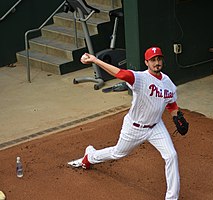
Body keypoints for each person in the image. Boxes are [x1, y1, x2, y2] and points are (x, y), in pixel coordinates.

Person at [68, 47, 187, 200]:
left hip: (156, 126)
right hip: (134, 127)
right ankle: (89, 157)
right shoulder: (140, 78)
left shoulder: (168, 82)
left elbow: (171, 104)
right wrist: (95, 60)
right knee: (118, 153)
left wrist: (176, 116)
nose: (157, 63)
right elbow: (120, 73)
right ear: (146, 62)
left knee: (171, 155)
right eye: (153, 60)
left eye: (158, 59)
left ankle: (172, 198)